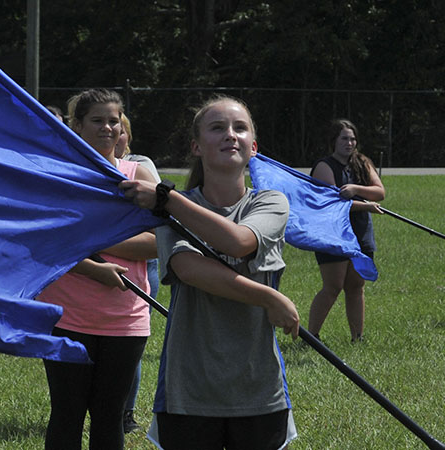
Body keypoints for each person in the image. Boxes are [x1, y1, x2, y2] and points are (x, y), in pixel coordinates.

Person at [119, 95, 299, 450]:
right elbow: (190, 269)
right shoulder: (173, 209)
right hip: (189, 390)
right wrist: (269, 296)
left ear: (253, 147)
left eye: (239, 128)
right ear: (196, 146)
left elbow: (238, 241)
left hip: (258, 387)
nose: (230, 135)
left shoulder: (270, 203)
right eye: (217, 128)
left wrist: (166, 199)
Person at [37, 89, 157, 450]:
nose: (108, 128)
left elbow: (159, 241)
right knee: (67, 413)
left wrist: (95, 240)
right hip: (66, 315)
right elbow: (48, 242)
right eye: (97, 120)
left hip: (126, 316)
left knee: (110, 415)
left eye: (114, 121)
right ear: (76, 125)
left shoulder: (139, 175)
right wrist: (94, 269)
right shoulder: (59, 179)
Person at [308, 119, 385, 343]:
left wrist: (355, 189)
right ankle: (312, 336)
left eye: (352, 139)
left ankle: (357, 338)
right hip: (333, 233)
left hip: (361, 232)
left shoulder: (362, 163)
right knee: (333, 286)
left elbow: (379, 192)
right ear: (333, 141)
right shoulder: (324, 167)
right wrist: (365, 205)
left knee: (356, 286)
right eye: (344, 138)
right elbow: (331, 203)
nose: (349, 143)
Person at [114, 113, 161, 434]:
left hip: (142, 266)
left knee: (130, 343)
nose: (112, 134)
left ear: (127, 136)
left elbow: (159, 213)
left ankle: (126, 412)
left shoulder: (139, 164)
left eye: (118, 129)